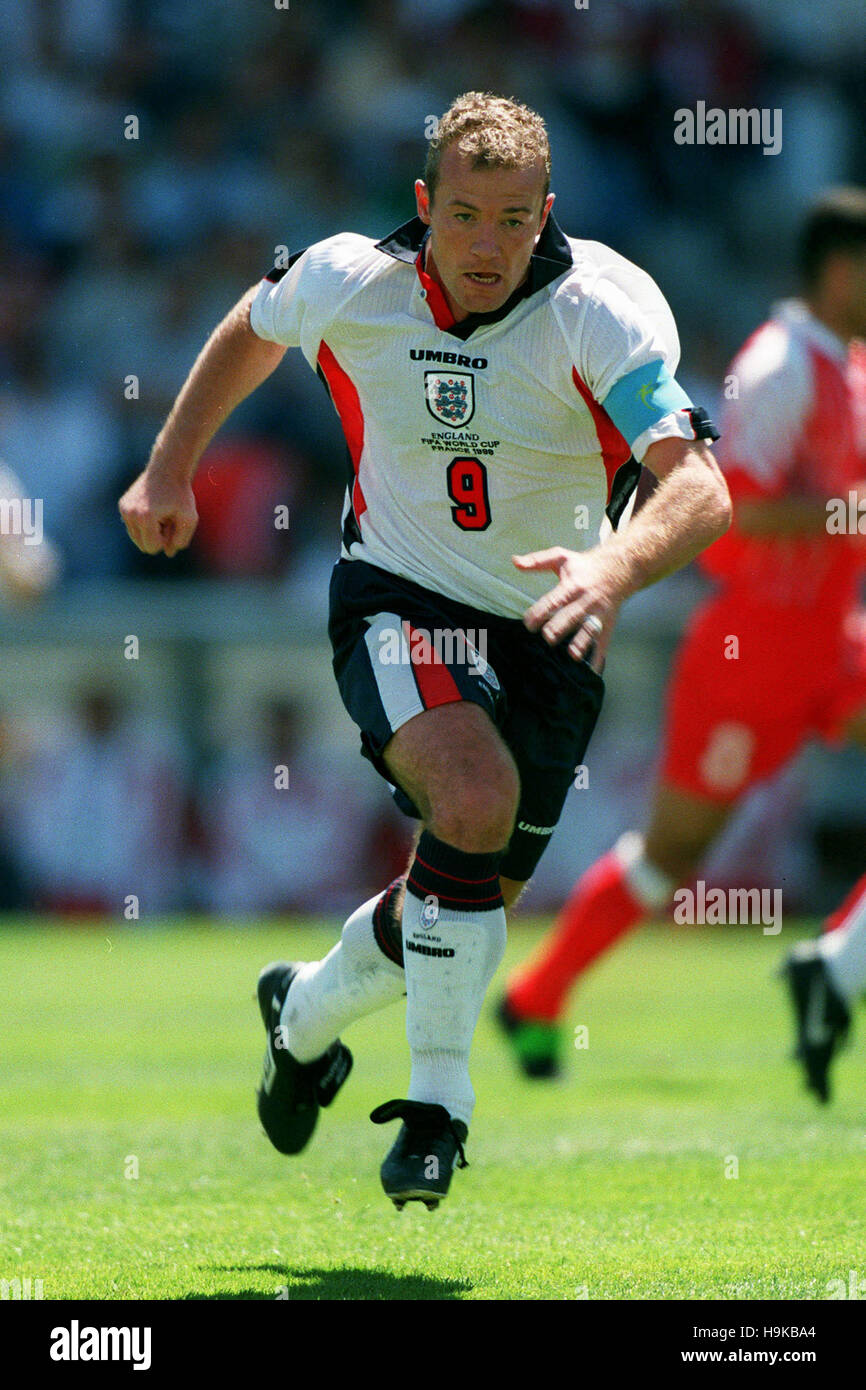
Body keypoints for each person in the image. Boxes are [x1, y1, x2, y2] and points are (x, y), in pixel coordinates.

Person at [119, 92, 730, 1208]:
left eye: (513, 219)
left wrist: (611, 569)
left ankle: (302, 1015)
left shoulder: (603, 311)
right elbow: (254, 324)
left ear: (546, 212)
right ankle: (439, 1107)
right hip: (396, 595)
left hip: (553, 622)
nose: (487, 245)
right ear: (423, 205)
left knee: (462, 895)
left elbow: (699, 489)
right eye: (464, 216)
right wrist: (169, 466)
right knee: (472, 797)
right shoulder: (351, 279)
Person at [498, 187, 866, 1106]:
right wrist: (845, 512)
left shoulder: (847, 367)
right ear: (839, 270)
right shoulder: (778, 368)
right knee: (670, 856)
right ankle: (536, 996)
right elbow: (731, 520)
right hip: (753, 654)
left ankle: (838, 964)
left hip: (829, 640)